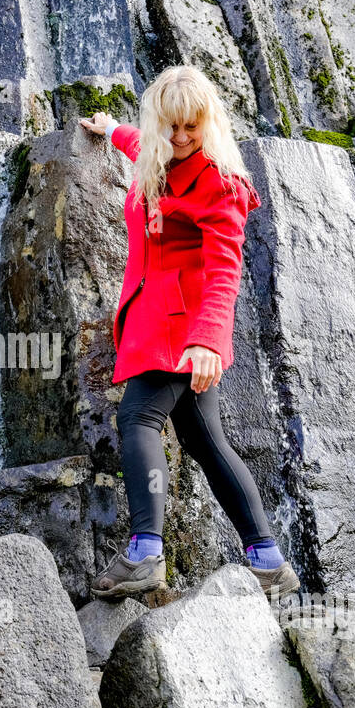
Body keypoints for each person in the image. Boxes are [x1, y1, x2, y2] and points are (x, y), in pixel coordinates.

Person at [77, 64, 300, 601]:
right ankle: (268, 562)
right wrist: (109, 129)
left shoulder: (220, 184)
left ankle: (144, 552)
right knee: (206, 442)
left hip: (181, 331)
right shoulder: (158, 156)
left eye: (190, 128)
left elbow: (225, 269)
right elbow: (141, 144)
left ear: (209, 124)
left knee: (137, 417)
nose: (180, 138)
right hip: (157, 323)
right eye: (170, 127)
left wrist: (206, 340)